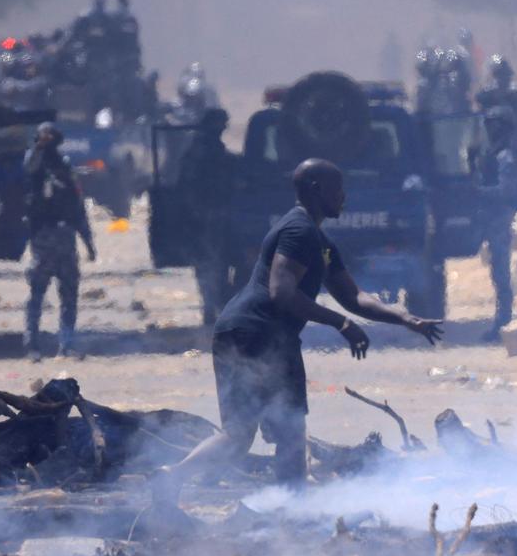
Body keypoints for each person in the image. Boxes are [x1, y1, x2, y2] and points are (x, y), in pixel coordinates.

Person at [152, 159, 442, 505]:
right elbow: (282, 292)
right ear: (316, 190)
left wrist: (405, 317)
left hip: (240, 330)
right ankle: (293, 512)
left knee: (237, 436)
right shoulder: (298, 231)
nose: (344, 197)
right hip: (262, 336)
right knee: (289, 432)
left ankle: (172, 477)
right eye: (338, 189)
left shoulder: (319, 241)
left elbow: (353, 297)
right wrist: (341, 324)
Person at [23, 123, 96, 360]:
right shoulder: (36, 167)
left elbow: (78, 208)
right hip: (44, 238)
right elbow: (29, 165)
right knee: (37, 294)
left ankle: (66, 344)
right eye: (43, 137)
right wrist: (38, 146)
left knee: (69, 295)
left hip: (65, 239)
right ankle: (32, 345)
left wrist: (89, 243)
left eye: (50, 137)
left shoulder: (65, 168)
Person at [179, 108, 236, 325]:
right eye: (221, 123)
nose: (223, 128)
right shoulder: (201, 150)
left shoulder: (210, 148)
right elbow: (190, 185)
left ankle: (214, 306)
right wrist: (199, 211)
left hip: (213, 213)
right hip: (206, 215)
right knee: (210, 264)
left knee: (215, 265)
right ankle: (211, 308)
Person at [476, 56, 517, 229]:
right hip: (496, 147)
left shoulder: (515, 97)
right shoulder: (487, 97)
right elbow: (479, 101)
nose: (501, 80)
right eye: (499, 76)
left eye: (503, 76)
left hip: (516, 146)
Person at [477, 108, 517, 341]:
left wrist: (477, 192)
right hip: (492, 216)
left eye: (494, 125)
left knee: (501, 272)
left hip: (500, 217)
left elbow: (505, 190)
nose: (490, 130)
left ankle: (504, 321)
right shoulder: (494, 153)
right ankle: (502, 320)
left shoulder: (506, 156)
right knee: (497, 271)